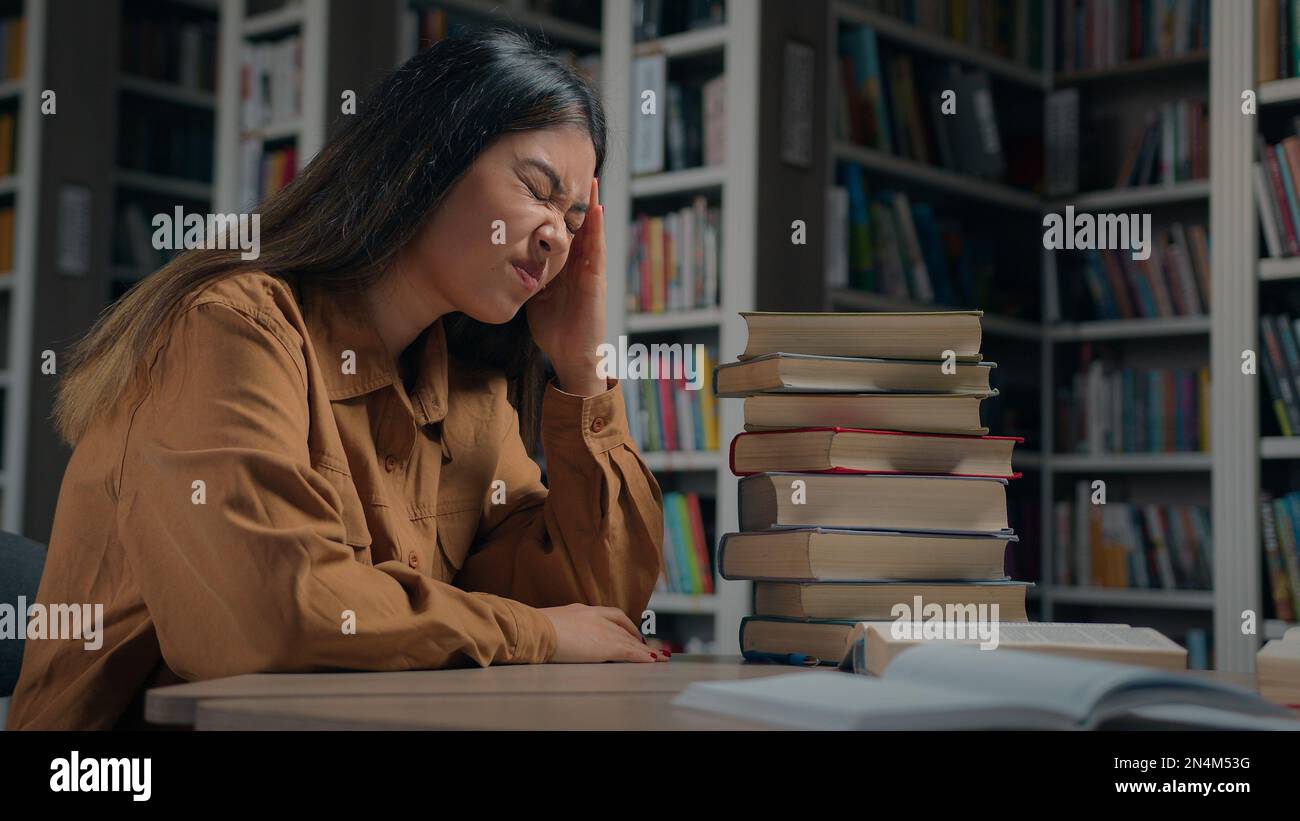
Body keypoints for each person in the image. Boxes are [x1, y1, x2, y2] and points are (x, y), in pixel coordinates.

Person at [9, 27, 666, 731]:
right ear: (428, 158)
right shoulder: (227, 330)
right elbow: (270, 619)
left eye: (574, 219)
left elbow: (596, 614)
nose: (557, 237)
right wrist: (537, 635)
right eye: (538, 190)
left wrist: (582, 369)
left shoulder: (472, 395)